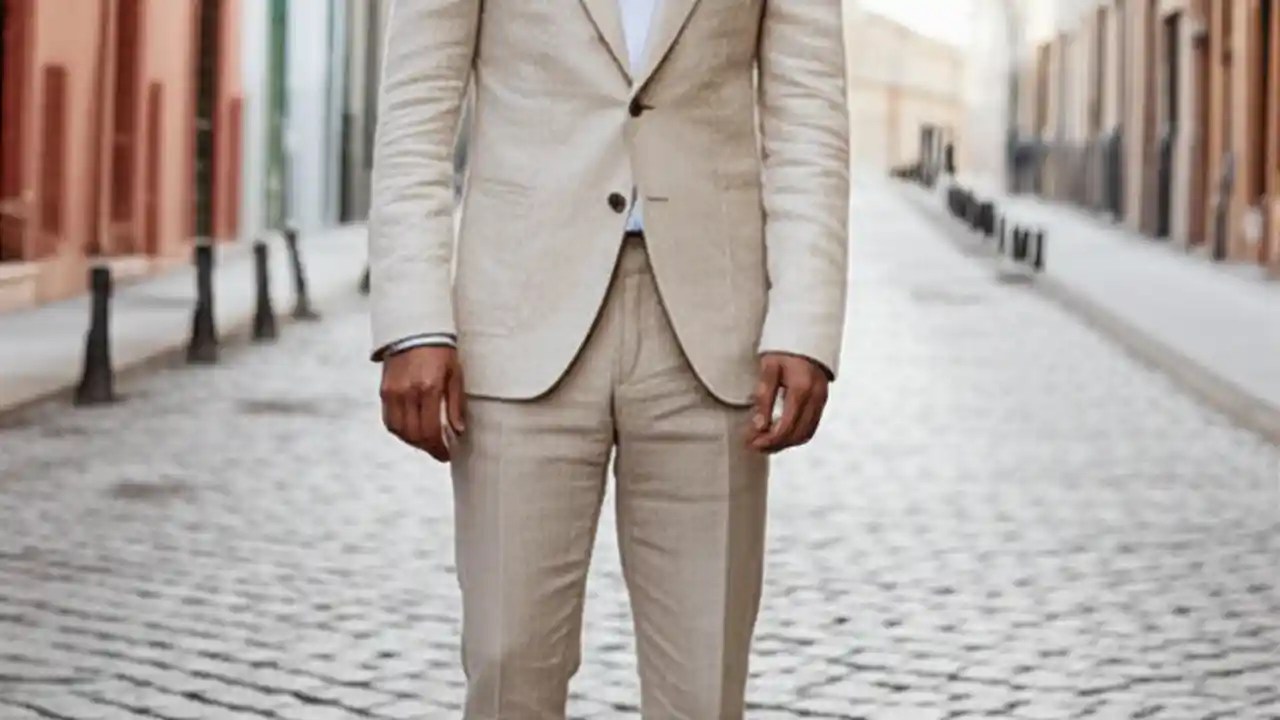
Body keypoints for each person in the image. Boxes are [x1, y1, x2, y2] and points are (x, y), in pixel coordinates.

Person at [367, 0, 849, 717]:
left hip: (712, 325)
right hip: (520, 313)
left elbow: (808, 117)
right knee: (508, 664)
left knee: (704, 682)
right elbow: (416, 111)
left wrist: (805, 322)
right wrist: (413, 322)